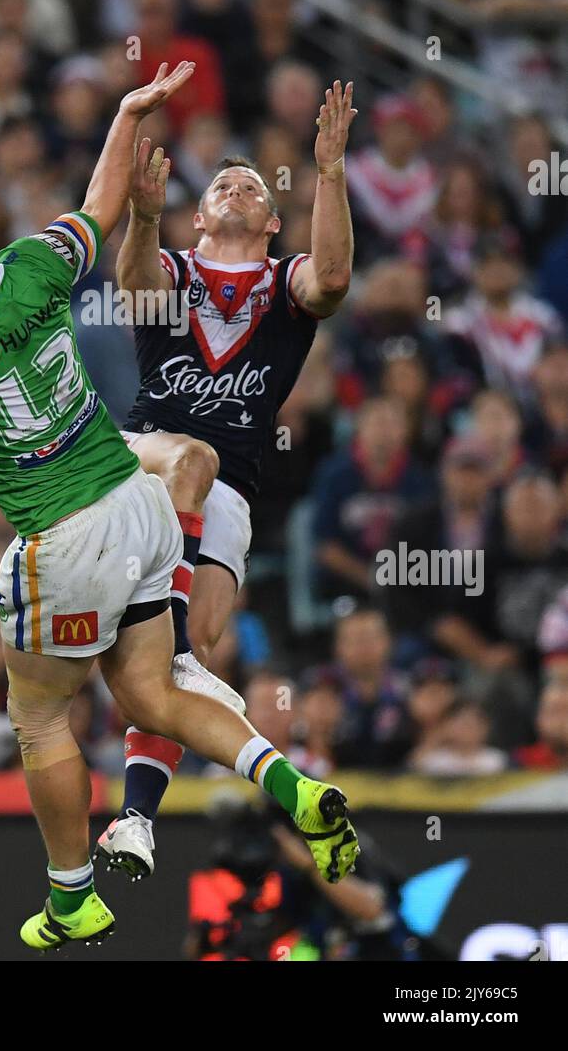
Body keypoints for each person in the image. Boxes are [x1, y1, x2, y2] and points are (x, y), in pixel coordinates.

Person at [0, 62, 359, 951]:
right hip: (134, 504)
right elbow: (100, 208)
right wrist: (129, 114)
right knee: (150, 686)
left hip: (62, 536)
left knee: (41, 714)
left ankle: (72, 895)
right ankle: (290, 784)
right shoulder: (30, 267)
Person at [98, 80, 358, 877]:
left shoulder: (285, 286)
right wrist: (141, 216)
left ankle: (135, 821)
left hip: (226, 497)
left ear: (275, 222)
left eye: (251, 185)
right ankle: (167, 640)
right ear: (199, 217)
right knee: (191, 458)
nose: (236, 188)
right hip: (137, 456)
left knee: (199, 654)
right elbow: (134, 287)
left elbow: (335, 282)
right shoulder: (173, 268)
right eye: (221, 185)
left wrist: (332, 172)